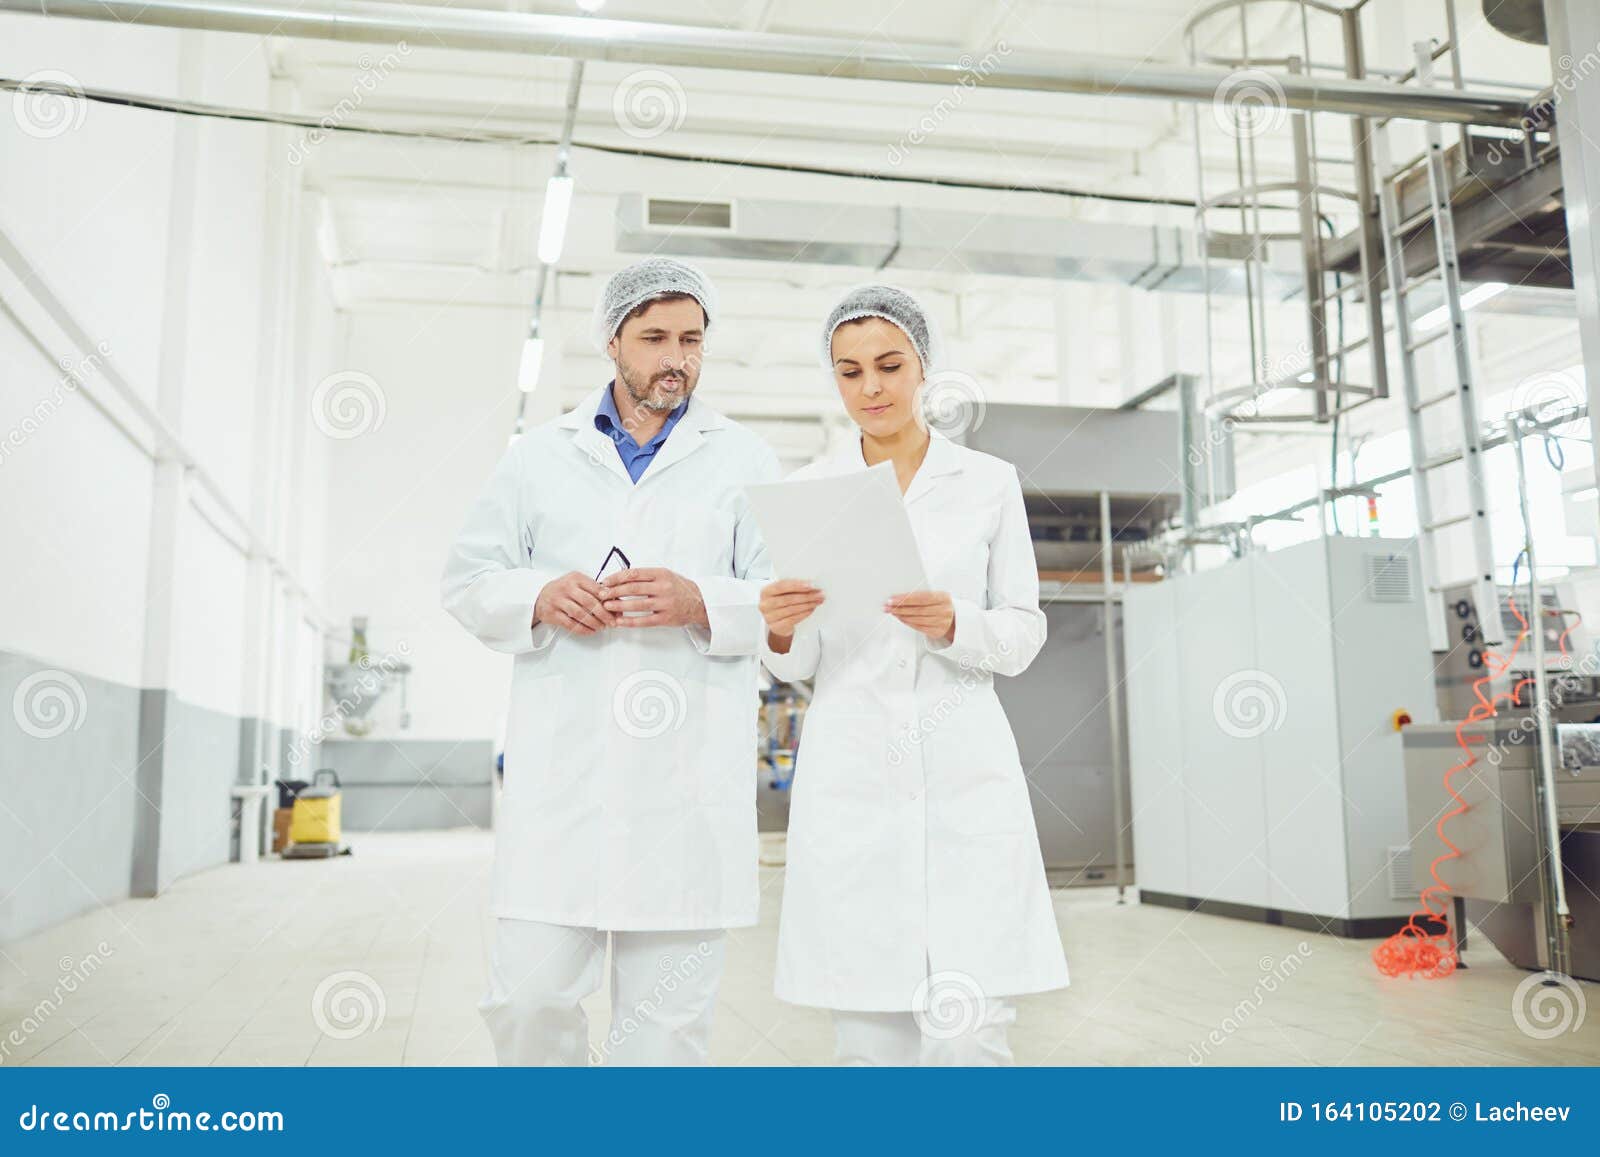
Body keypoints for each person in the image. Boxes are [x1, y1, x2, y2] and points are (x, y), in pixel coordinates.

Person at [442, 257, 778, 1066]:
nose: (676, 358)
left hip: (685, 796)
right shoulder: (537, 457)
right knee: (526, 1002)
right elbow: (467, 579)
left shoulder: (747, 460)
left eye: (692, 340)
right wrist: (539, 595)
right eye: (655, 337)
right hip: (564, 791)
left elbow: (790, 601)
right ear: (611, 341)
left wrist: (701, 600)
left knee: (663, 1043)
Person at [758, 284, 1069, 1066]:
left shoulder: (989, 482)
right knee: (868, 1042)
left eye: (890, 365)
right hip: (854, 772)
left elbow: (1023, 629)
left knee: (969, 1033)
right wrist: (780, 625)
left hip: (964, 769)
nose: (871, 387)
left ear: (924, 366)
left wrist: (957, 623)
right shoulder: (806, 493)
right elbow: (798, 661)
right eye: (850, 371)